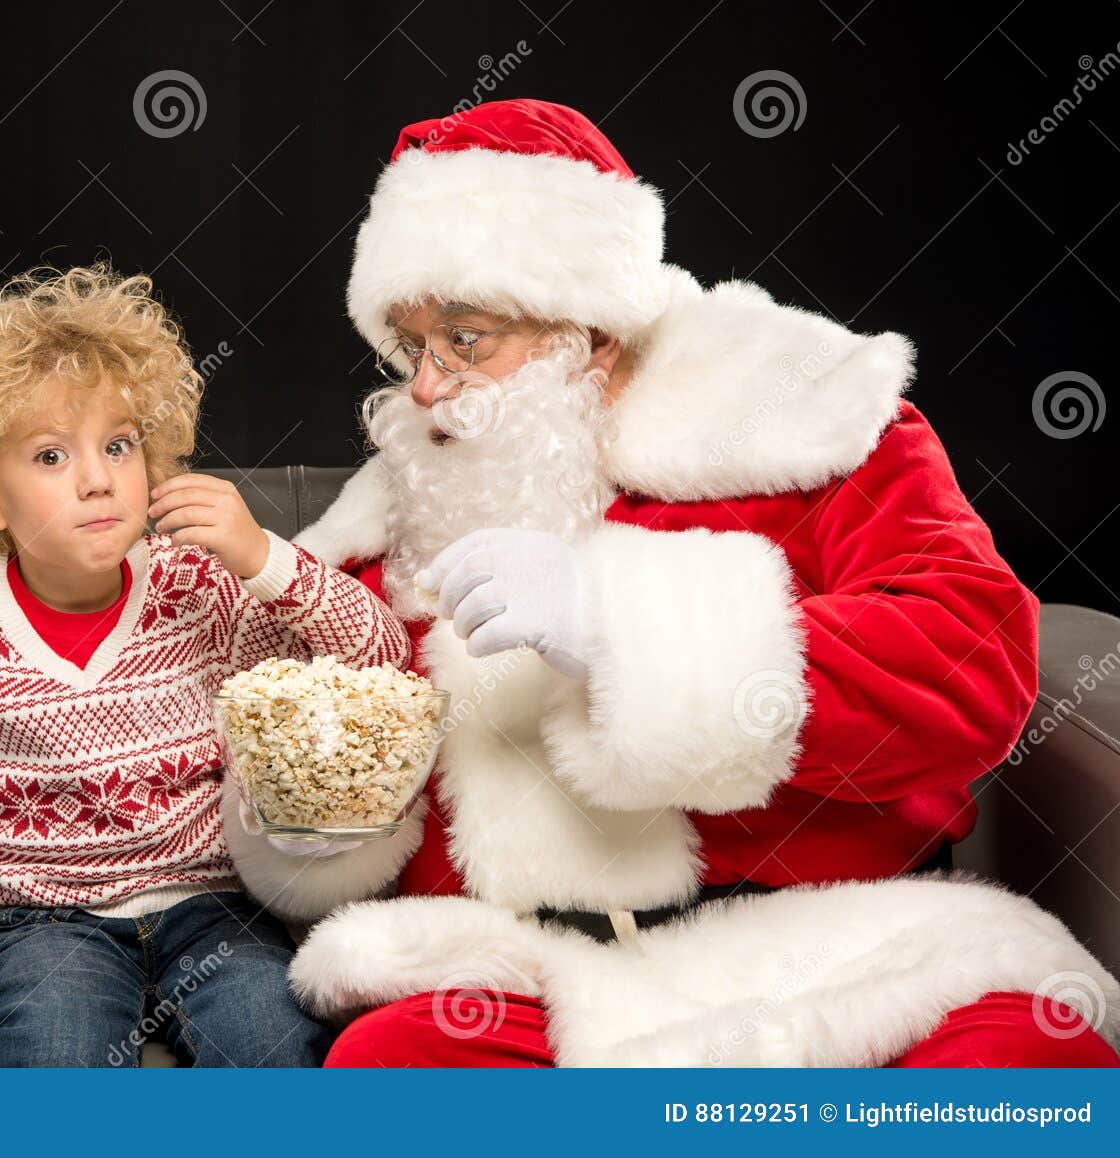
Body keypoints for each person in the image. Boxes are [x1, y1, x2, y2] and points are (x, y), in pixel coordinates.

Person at [218, 99, 1120, 1067]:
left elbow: (972, 661)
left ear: (593, 334)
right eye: (411, 347)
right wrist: (309, 826)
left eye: (466, 340)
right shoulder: (386, 520)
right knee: (393, 1075)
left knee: (1030, 1059)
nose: (428, 388)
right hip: (535, 978)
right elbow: (344, 776)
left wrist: (622, 629)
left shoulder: (805, 422)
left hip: (843, 951)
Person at [0, 264, 411, 1066]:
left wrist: (263, 557)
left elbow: (379, 660)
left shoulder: (199, 580)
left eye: (118, 445)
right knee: (55, 1057)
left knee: (275, 1047)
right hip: (39, 925)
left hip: (214, 909)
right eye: (50, 456)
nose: (98, 479)